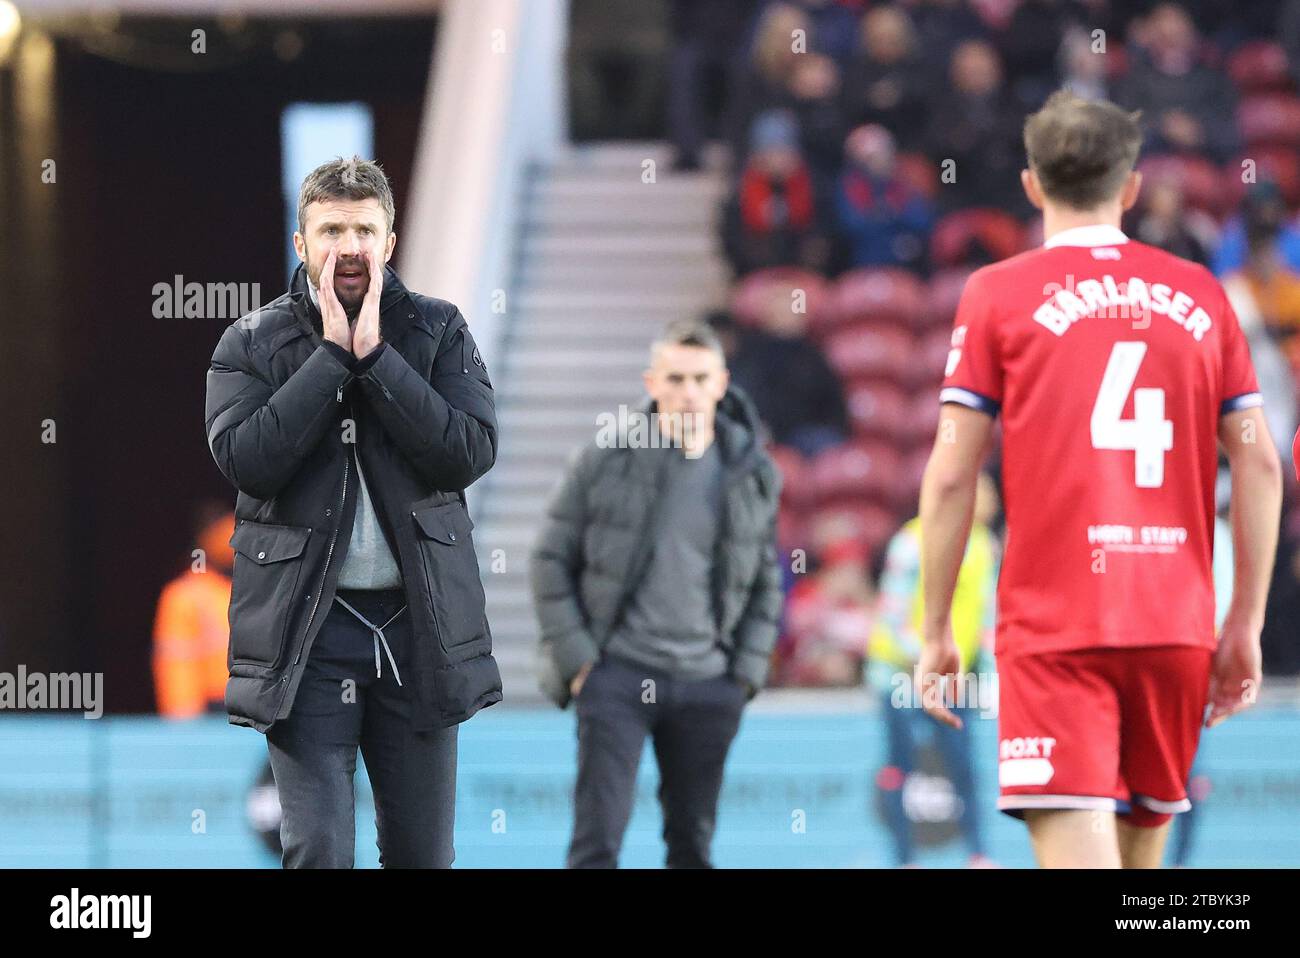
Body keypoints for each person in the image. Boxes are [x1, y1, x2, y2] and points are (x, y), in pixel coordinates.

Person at [918, 90, 1282, 868]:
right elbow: (1257, 458)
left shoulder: (996, 294)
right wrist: (1242, 622)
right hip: (1175, 624)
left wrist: (935, 629)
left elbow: (952, 477)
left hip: (1059, 631)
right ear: (1131, 188)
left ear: (1030, 185)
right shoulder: (1202, 294)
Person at [204, 155, 500, 868]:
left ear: (389, 241)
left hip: (415, 632)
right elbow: (247, 460)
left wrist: (378, 359)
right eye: (330, 229)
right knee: (319, 847)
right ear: (301, 243)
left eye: (364, 228)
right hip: (309, 631)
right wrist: (333, 358)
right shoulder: (249, 343)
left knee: (422, 854)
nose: (350, 245)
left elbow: (469, 450)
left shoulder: (439, 330)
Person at [530, 319, 782, 868]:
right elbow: (549, 558)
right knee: (597, 842)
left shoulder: (751, 470)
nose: (687, 393)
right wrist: (580, 663)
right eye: (675, 379)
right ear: (652, 383)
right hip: (617, 676)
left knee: (692, 845)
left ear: (721, 383)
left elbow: (765, 578)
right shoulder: (606, 457)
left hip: (709, 683)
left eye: (699, 379)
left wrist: (744, 674)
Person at [867, 472, 1000, 868]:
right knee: (900, 766)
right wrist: (924, 655)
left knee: (963, 765)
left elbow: (986, 618)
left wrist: (988, 675)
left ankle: (978, 856)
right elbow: (891, 613)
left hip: (953, 678)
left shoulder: (982, 546)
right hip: (899, 673)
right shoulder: (911, 541)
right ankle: (903, 859)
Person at [152, 503, 236, 718]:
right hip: (211, 712)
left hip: (254, 706)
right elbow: (176, 659)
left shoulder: (250, 589)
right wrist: (185, 724)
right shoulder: (185, 594)